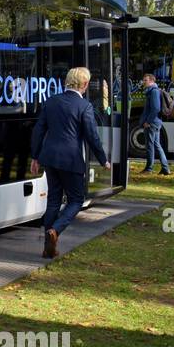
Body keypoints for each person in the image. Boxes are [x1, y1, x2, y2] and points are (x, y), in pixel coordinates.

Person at [31, 66, 111, 259]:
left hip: (50, 159)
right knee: (76, 199)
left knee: (53, 201)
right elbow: (92, 136)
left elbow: (38, 130)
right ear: (84, 84)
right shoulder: (84, 106)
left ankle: (47, 247)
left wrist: (35, 156)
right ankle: (55, 231)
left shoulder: (51, 101)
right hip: (71, 160)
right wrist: (103, 159)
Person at [138, 73, 171, 175]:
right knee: (157, 145)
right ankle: (165, 169)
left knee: (150, 146)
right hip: (155, 122)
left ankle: (149, 168)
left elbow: (156, 108)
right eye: (143, 80)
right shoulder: (152, 91)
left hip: (152, 123)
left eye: (146, 80)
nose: (144, 82)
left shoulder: (154, 92)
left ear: (152, 81)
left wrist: (148, 121)